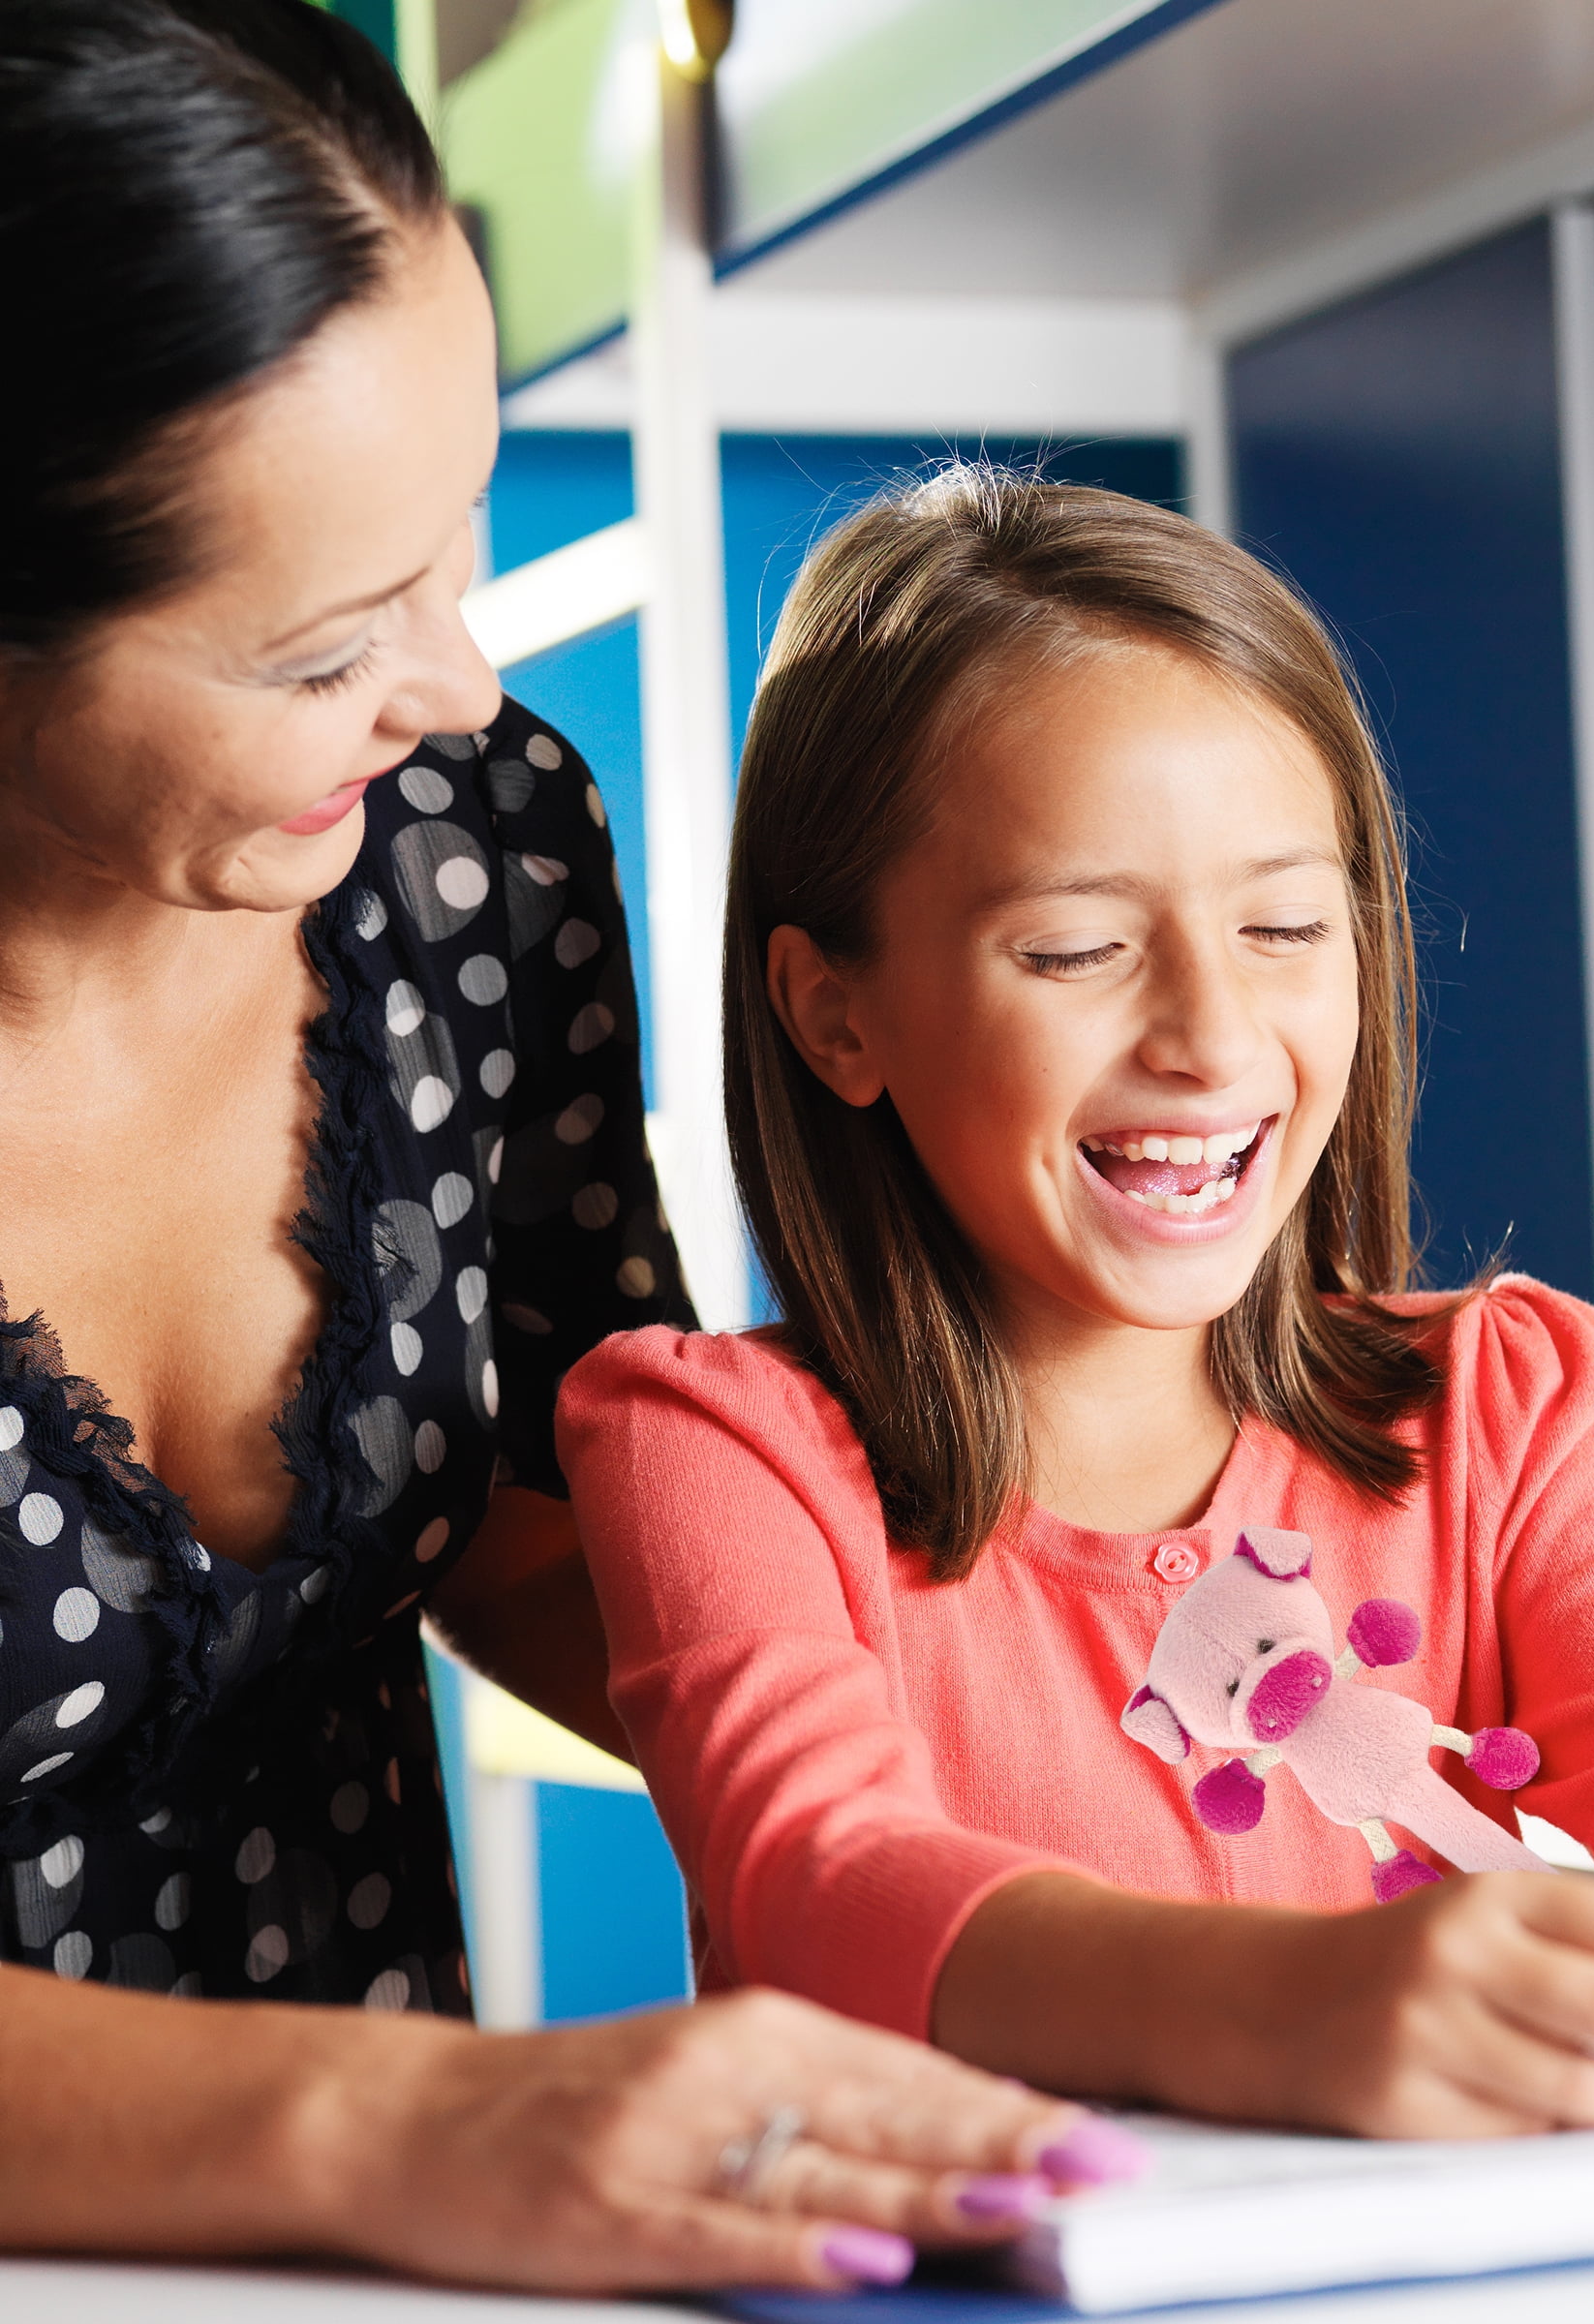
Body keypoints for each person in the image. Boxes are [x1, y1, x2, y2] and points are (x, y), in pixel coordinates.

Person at [560, 466, 1594, 2138]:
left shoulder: (1507, 1404)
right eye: (1079, 950)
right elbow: (821, 1879)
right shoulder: (714, 1448)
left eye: (1287, 926)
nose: (1215, 1039)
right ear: (832, 1014)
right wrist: (1292, 2000)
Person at [0, 2, 1132, 2291]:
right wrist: (414, 2118)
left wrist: (1098, 1816)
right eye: (324, 648)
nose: (463, 684)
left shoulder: (464, 854)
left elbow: (559, 1519)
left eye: (462, 536)